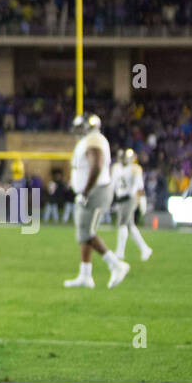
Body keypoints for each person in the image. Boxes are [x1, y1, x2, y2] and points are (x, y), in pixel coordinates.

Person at [63, 114, 130, 289]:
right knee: (83, 234)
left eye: (80, 127)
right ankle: (85, 276)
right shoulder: (89, 140)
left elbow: (97, 165)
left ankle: (116, 265)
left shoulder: (94, 139)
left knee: (87, 232)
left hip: (95, 192)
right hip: (91, 191)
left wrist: (85, 190)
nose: (77, 131)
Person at [111, 148, 152, 261]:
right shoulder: (116, 168)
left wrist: (142, 201)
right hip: (120, 199)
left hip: (129, 198)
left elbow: (140, 186)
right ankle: (145, 249)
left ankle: (120, 252)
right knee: (130, 226)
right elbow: (113, 184)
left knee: (122, 224)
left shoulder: (135, 169)